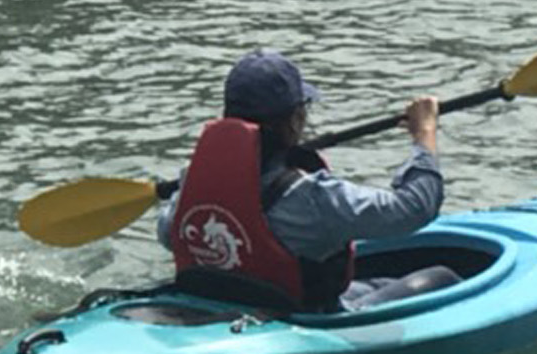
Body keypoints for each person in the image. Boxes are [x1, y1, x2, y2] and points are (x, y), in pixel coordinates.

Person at [157, 51, 460, 312]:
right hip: (301, 320)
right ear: (294, 121)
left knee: (377, 284)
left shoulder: (192, 182)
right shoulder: (311, 197)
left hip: (221, 305)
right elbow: (415, 207)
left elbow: (168, 234)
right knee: (441, 277)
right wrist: (424, 135)